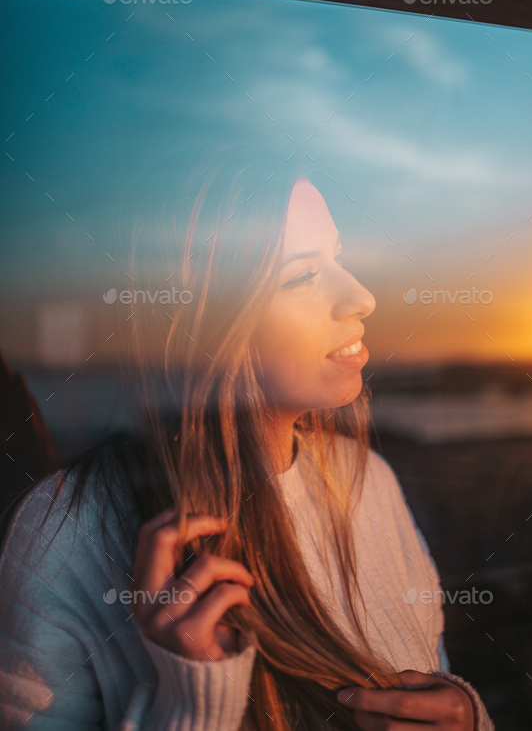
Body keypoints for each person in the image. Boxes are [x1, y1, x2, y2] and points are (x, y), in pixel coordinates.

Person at [0, 145, 494, 730]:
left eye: (339, 258)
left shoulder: (366, 480)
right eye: (304, 275)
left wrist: (466, 715)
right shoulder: (64, 534)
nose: (362, 297)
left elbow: (431, 669)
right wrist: (192, 703)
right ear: (207, 317)